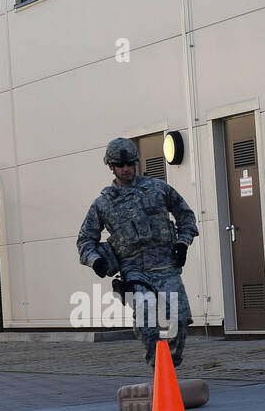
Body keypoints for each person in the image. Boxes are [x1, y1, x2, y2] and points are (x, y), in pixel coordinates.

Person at [77, 137, 199, 367]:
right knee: (148, 318)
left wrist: (183, 243)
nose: (126, 169)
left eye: (130, 164)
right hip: (135, 272)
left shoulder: (158, 189)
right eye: (120, 165)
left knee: (179, 320)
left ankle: (170, 368)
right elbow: (85, 240)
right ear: (111, 167)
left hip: (166, 267)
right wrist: (96, 262)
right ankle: (159, 369)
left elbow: (186, 215)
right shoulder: (103, 204)